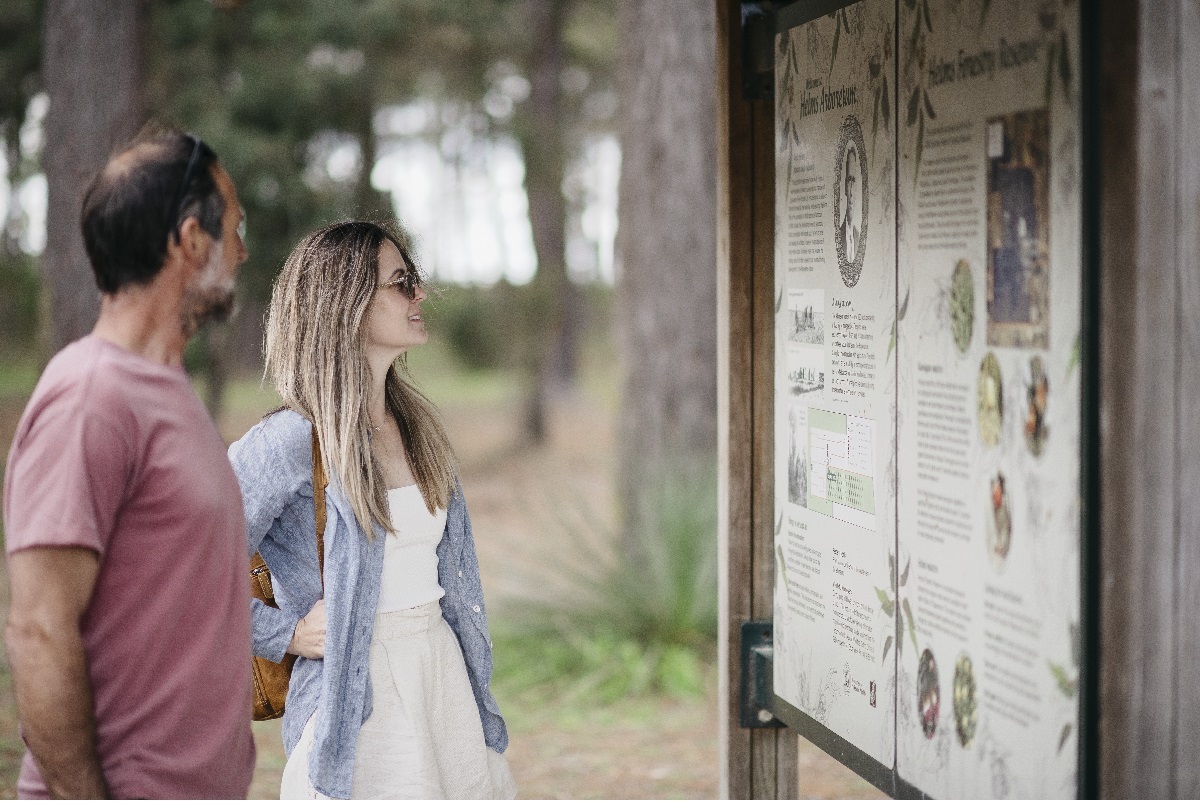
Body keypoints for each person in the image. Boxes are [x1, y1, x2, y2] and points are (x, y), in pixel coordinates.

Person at [2, 130, 254, 798]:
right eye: (235, 228)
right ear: (189, 239)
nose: (243, 250)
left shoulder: (166, 389)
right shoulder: (90, 399)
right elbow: (37, 628)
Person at [228, 220, 515, 800]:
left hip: (442, 681)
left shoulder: (418, 430)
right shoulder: (291, 441)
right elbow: (186, 566)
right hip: (355, 702)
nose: (420, 295)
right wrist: (284, 634)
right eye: (401, 282)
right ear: (348, 304)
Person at [839, 144, 860, 262]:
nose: (851, 190)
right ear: (845, 187)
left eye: (854, 181)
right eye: (849, 180)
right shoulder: (837, 235)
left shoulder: (858, 236)